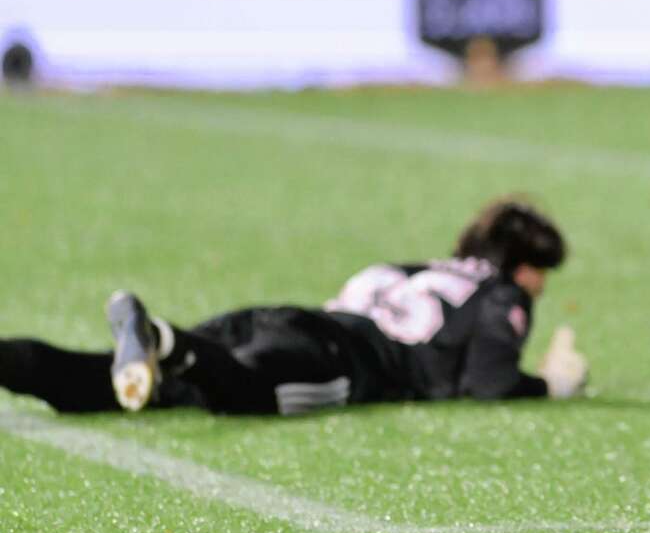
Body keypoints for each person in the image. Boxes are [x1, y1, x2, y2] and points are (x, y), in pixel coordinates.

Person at [0, 200, 587, 415]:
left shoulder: (407, 268)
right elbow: (489, 383)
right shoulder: (502, 293)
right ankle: (163, 339)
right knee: (250, 395)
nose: (540, 288)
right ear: (523, 265)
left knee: (102, 382)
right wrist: (554, 385)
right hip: (333, 358)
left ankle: (21, 361)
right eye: (542, 273)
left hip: (278, 320)